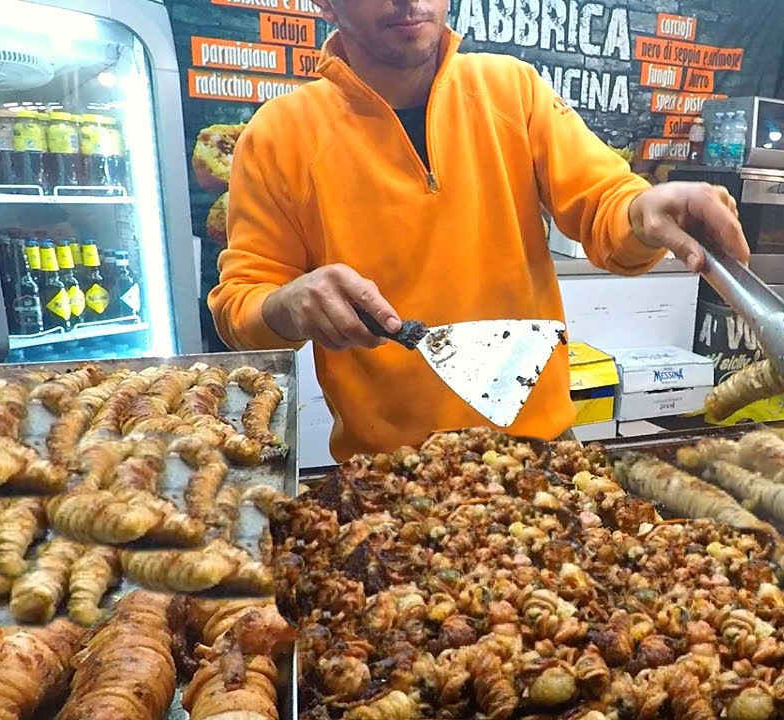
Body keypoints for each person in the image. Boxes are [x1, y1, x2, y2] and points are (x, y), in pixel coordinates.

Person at [208, 0, 750, 457]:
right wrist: (288, 305)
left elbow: (604, 203)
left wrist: (644, 210)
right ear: (324, 4)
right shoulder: (279, 136)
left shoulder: (511, 90)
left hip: (541, 447)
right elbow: (242, 303)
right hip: (388, 471)